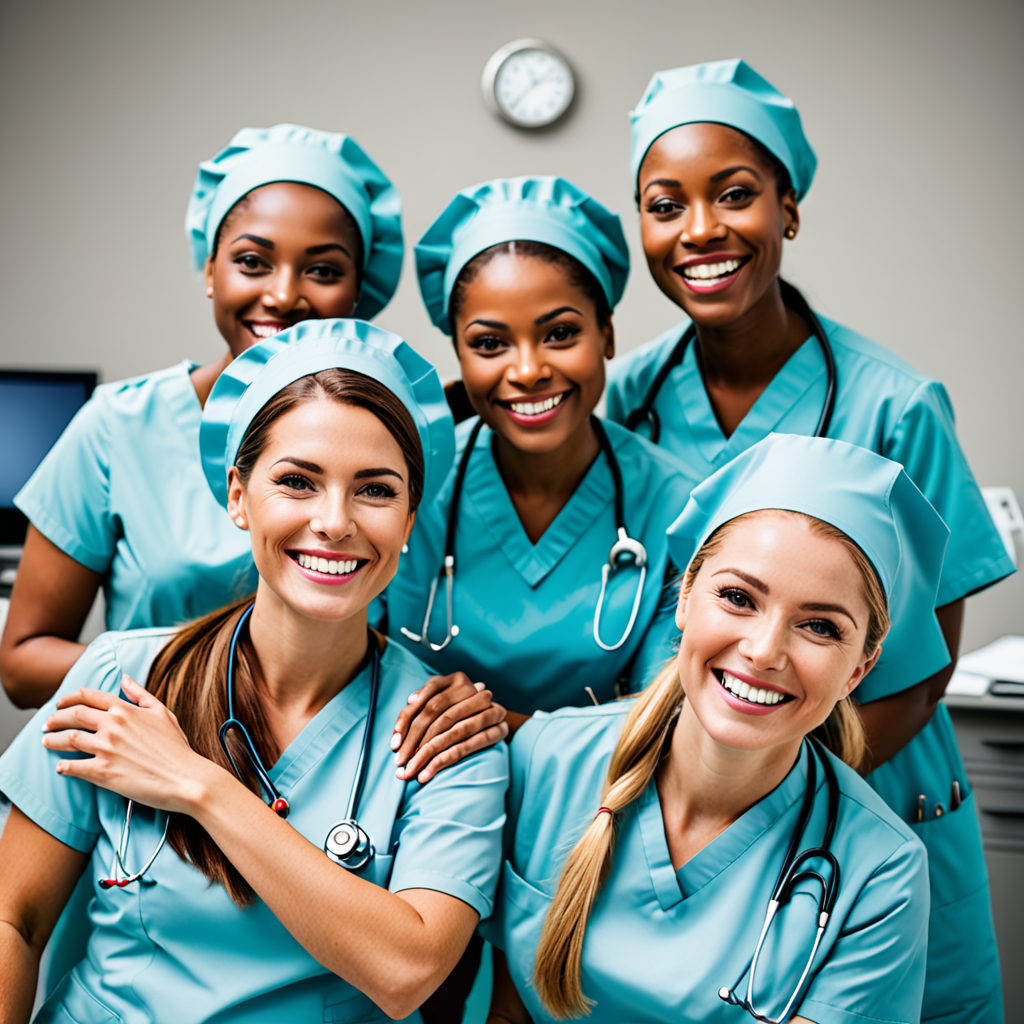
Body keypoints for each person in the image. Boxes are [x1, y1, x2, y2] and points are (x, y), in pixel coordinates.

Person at [604, 60, 1010, 1021]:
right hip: (688, 790)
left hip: (867, 784)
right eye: (667, 206)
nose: (701, 229)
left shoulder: (895, 404)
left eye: (736, 195)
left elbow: (923, 665)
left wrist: (785, 790)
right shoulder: (629, 401)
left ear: (789, 208)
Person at [0, 320, 508, 1024]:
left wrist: (198, 786)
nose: (334, 522)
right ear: (237, 495)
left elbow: (407, 972)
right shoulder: (122, 672)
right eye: (297, 481)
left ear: (410, 517)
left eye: (375, 490)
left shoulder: (448, 743)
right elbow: (12, 919)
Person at [486, 433, 938, 1024]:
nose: (763, 651)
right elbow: (506, 1008)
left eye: (820, 627)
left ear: (860, 668)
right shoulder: (546, 759)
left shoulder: (880, 874)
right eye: (737, 597)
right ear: (683, 596)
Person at [0, 123, 403, 710]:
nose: (284, 294)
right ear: (211, 270)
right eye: (252, 261)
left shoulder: (392, 441)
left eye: (322, 269)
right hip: (144, 763)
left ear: (358, 290)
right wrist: (219, 681)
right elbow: (23, 664)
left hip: (338, 772)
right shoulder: (119, 426)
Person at [382, 176, 698, 727]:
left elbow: (667, 721)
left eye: (559, 334)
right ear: (457, 352)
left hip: (601, 801)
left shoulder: (678, 509)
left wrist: (496, 723)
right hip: (415, 793)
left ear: (607, 334)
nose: (527, 371)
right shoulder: (399, 487)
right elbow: (352, 680)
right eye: (488, 344)